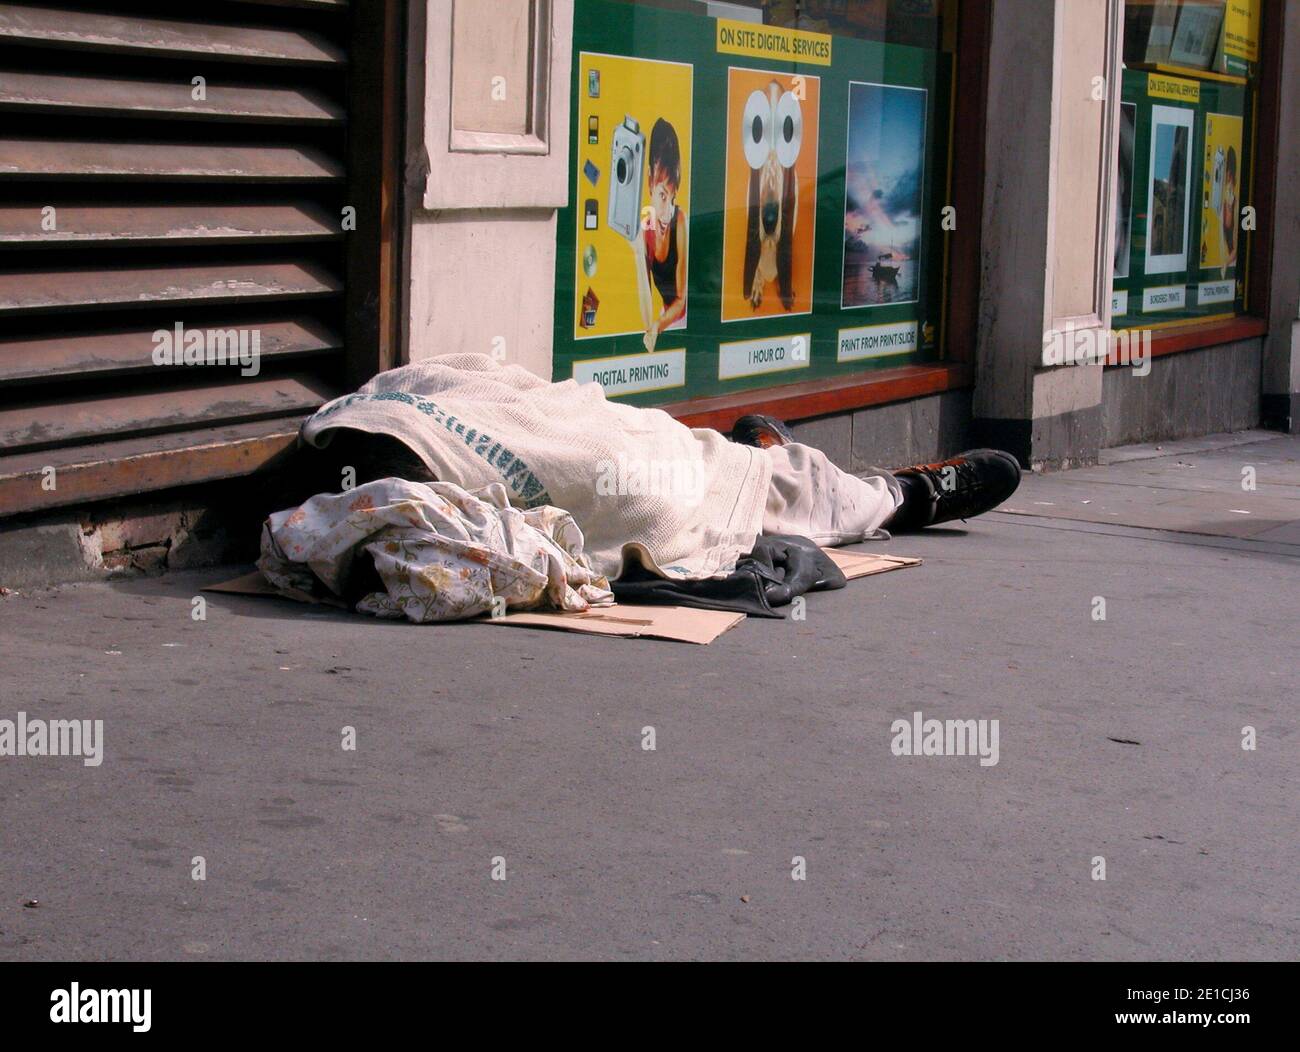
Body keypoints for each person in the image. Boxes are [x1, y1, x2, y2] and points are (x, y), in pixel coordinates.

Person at [630, 118, 687, 352]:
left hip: (682, 319)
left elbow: (682, 302)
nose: (666, 210)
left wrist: (656, 326)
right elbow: (646, 315)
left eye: (672, 199)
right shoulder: (646, 230)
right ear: (649, 183)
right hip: (666, 321)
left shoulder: (680, 221)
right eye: (663, 196)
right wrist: (637, 250)